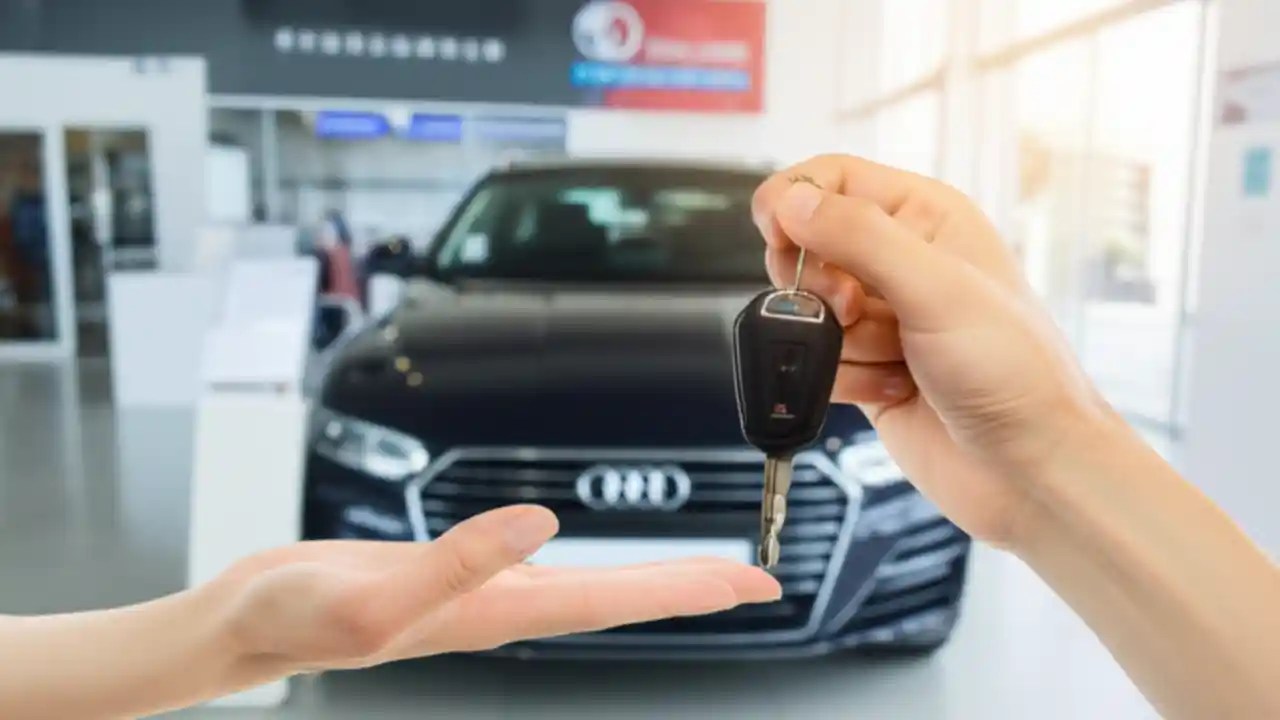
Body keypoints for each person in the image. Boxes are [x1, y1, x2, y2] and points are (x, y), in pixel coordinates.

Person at [0, 154, 1275, 719]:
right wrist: (219, 631)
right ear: (419, 259)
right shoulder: (404, 325)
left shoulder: (833, 317)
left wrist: (1047, 457)